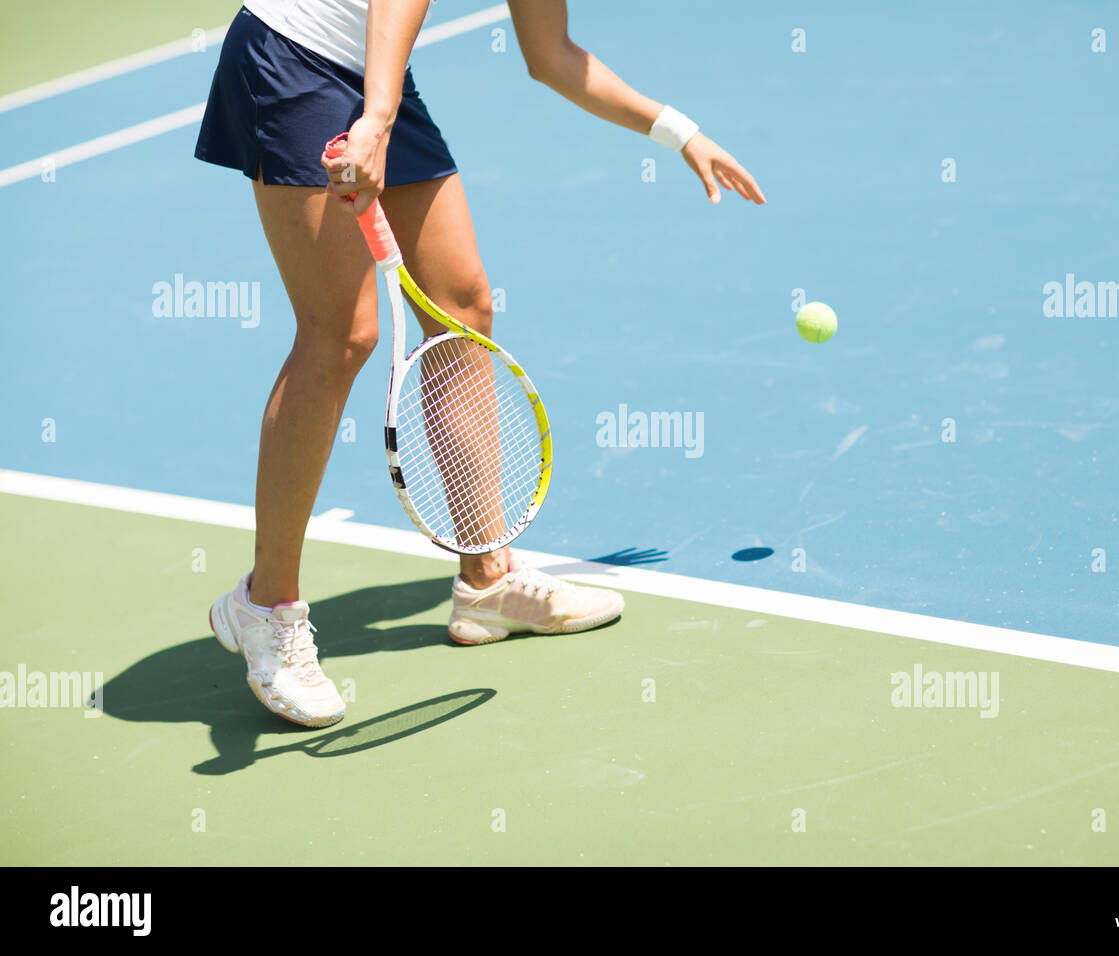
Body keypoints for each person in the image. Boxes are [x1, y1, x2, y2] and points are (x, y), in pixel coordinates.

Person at [196, 0, 767, 728]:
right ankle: (263, 605)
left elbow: (551, 53)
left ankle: (487, 578)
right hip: (292, 54)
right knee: (341, 335)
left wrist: (679, 131)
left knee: (463, 307)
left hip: (373, 78)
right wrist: (375, 118)